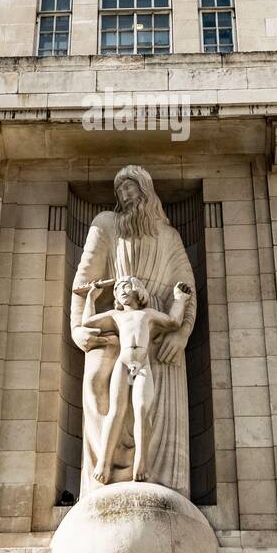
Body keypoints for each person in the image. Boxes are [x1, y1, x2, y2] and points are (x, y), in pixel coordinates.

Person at [70, 166, 197, 496]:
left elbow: (186, 287)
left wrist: (181, 334)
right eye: (120, 191)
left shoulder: (169, 237)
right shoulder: (105, 225)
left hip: (156, 340)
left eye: (130, 188)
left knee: (145, 410)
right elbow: (84, 283)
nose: (125, 196)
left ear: (146, 190)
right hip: (113, 332)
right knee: (105, 397)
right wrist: (75, 328)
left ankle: (154, 479)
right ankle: (103, 474)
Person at [77, 277, 192, 484]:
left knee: (141, 409)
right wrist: (91, 298)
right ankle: (104, 461)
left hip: (142, 365)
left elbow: (173, 322)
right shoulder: (115, 315)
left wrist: (180, 299)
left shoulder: (147, 314)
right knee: (116, 410)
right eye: (118, 288)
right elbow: (87, 322)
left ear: (138, 291)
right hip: (123, 364)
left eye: (126, 287)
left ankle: (141, 459)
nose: (121, 291)